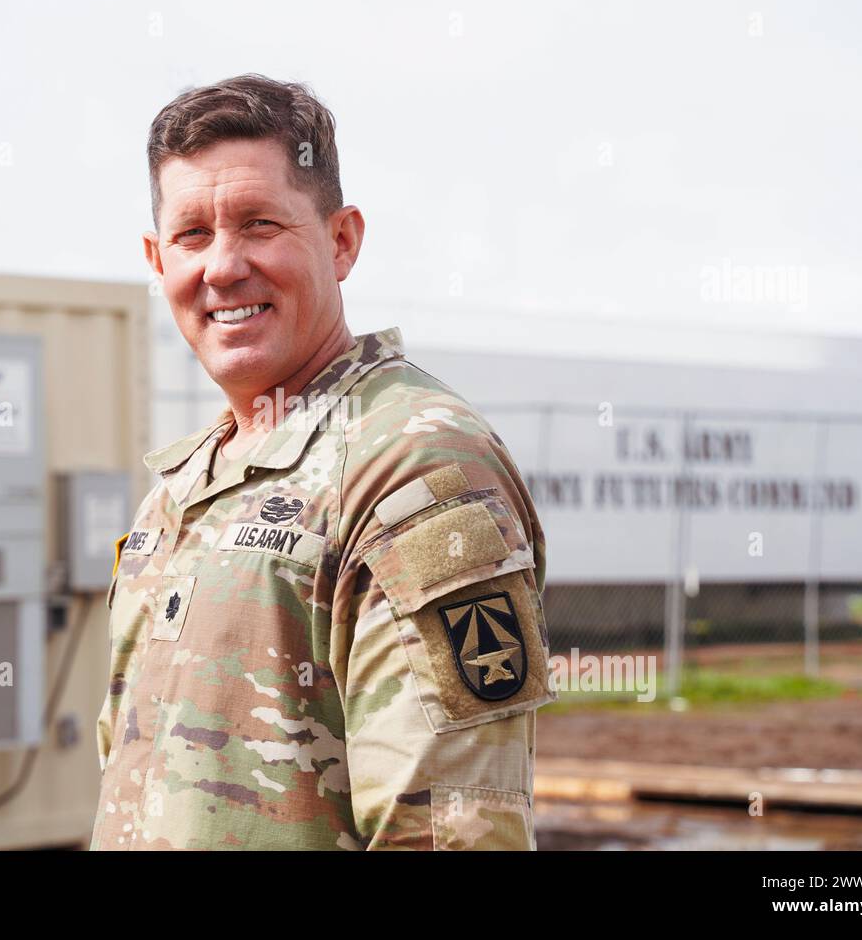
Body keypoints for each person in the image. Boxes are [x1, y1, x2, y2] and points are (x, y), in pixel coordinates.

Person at [91, 73, 556, 850]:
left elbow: (451, 834)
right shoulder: (182, 491)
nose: (222, 267)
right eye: (192, 236)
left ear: (341, 241)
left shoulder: (412, 467)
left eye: (259, 224)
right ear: (156, 256)